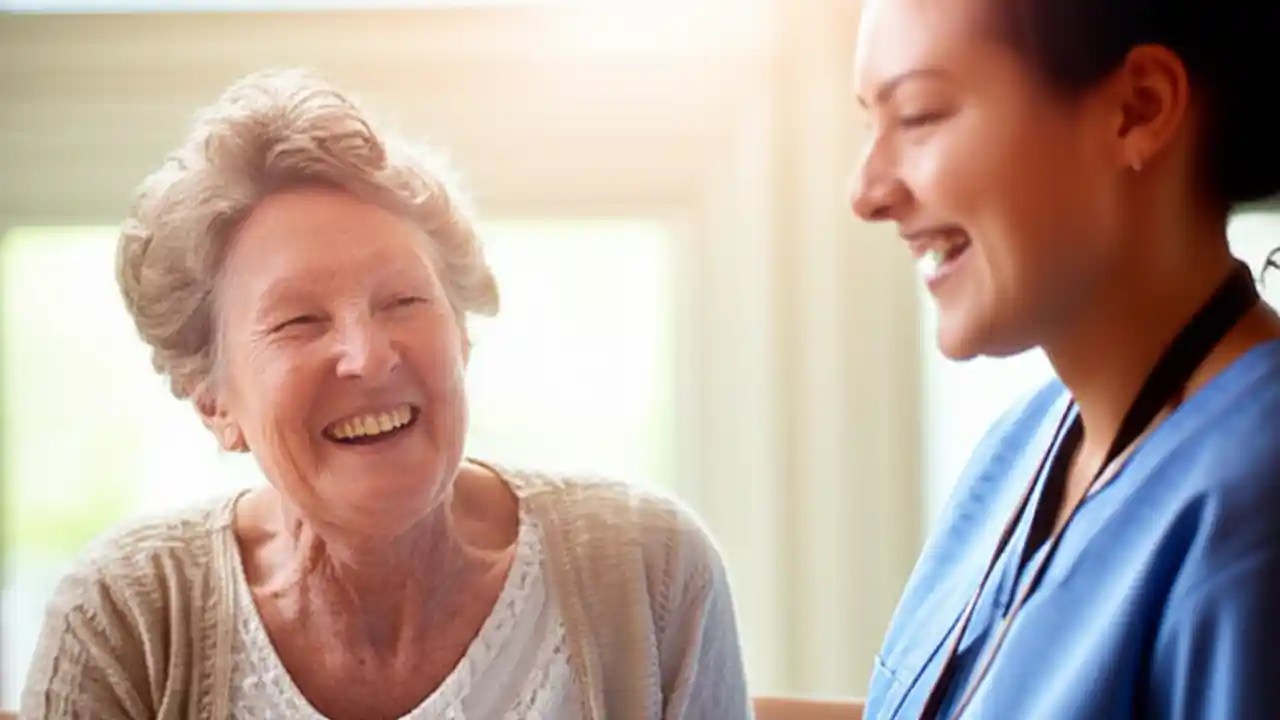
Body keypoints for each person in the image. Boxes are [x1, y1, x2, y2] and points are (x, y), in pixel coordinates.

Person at [21, 68, 750, 720]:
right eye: (300, 321)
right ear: (213, 401)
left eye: (403, 300)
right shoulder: (125, 613)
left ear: (462, 335)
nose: (368, 356)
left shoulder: (649, 569)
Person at [848, 0, 1280, 717]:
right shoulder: (1022, 443)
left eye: (920, 115)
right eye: (870, 121)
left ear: (1138, 109)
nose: (865, 193)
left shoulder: (1253, 516)